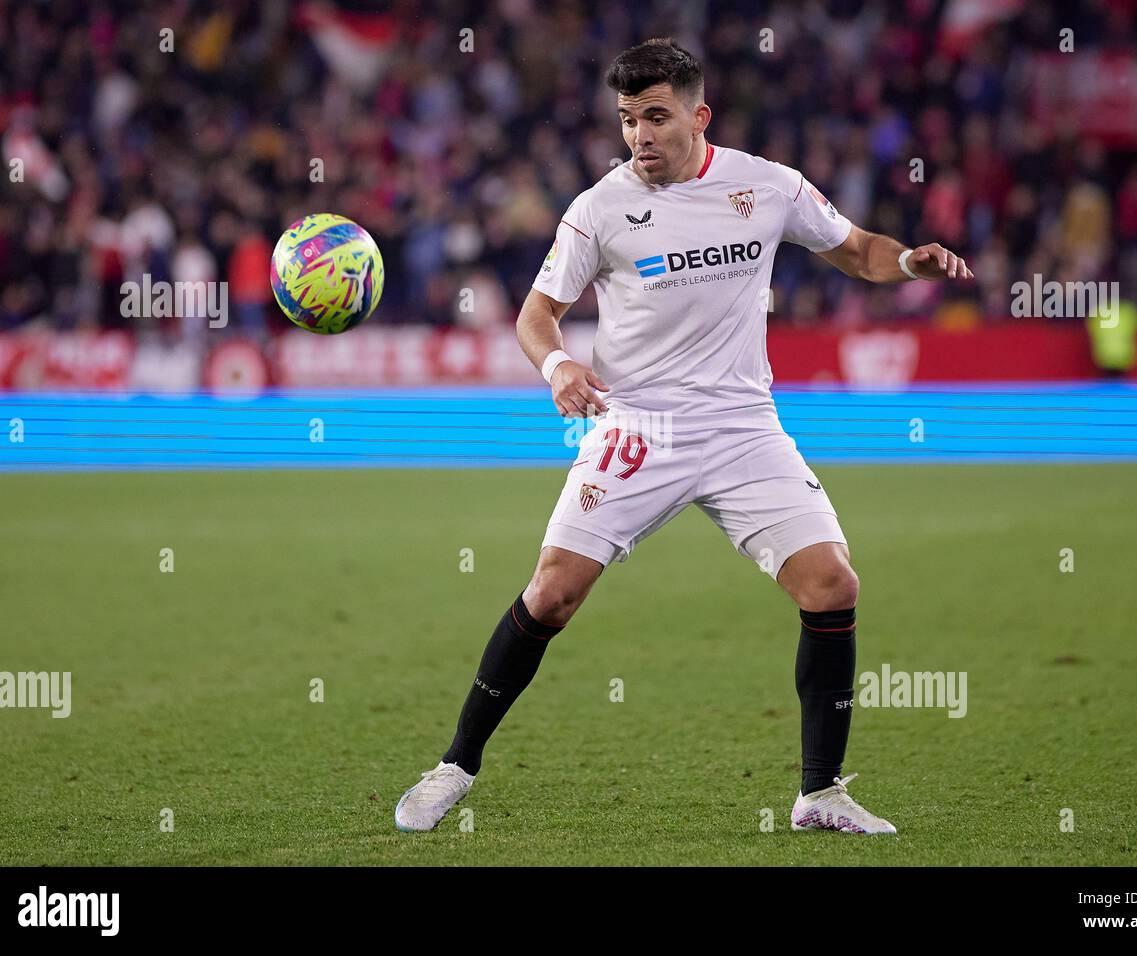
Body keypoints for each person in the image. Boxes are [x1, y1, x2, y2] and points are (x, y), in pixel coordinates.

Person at [396, 38, 973, 835]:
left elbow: (857, 251)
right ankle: (454, 766)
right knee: (553, 593)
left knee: (832, 585)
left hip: (742, 427)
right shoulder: (599, 207)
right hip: (635, 424)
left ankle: (820, 793)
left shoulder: (768, 186)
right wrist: (558, 367)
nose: (639, 135)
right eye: (629, 119)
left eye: (656, 117)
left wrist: (910, 259)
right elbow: (537, 315)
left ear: (699, 117)